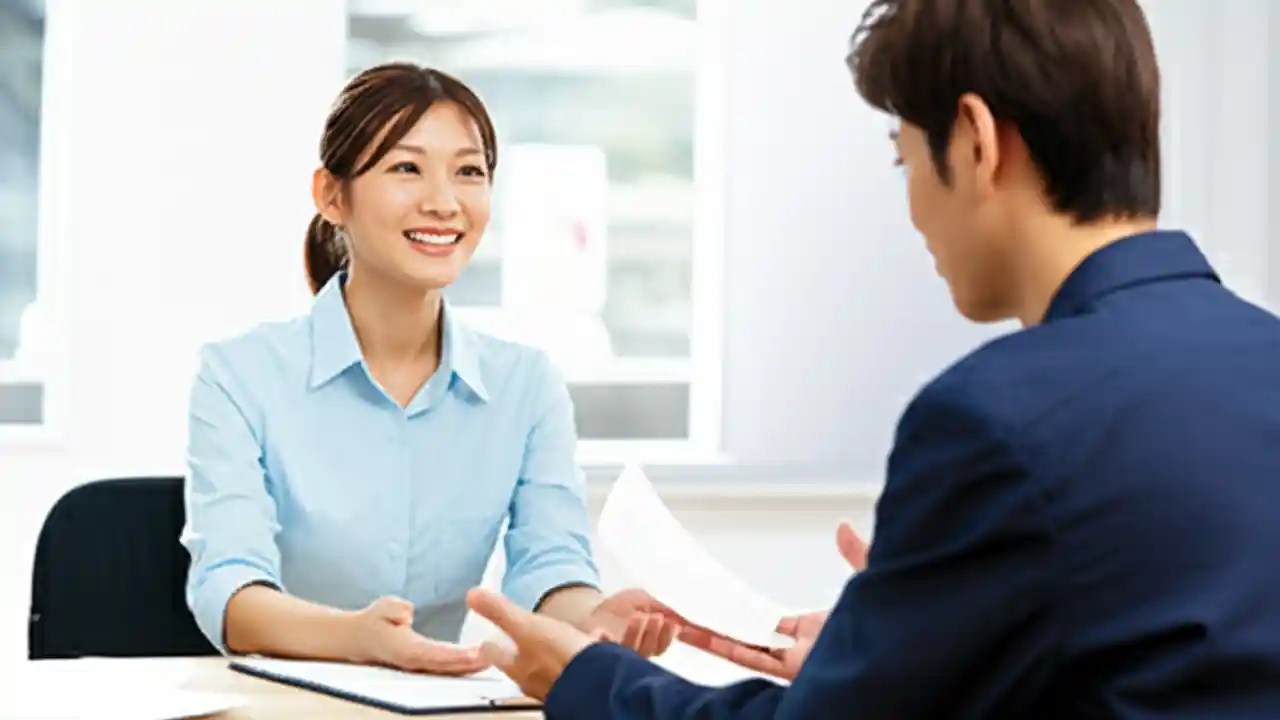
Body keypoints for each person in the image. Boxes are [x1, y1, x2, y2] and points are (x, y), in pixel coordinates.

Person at [464, 0, 1280, 716]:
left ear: (976, 141)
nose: (913, 210)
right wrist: (902, 655)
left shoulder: (999, 418)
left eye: (904, 159)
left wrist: (587, 679)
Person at [180, 63, 676, 674]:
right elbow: (229, 591)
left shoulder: (525, 384)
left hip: (439, 702)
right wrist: (356, 637)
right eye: (406, 168)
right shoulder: (239, 375)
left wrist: (593, 618)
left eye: (469, 172)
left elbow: (549, 565)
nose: (443, 203)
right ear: (332, 196)